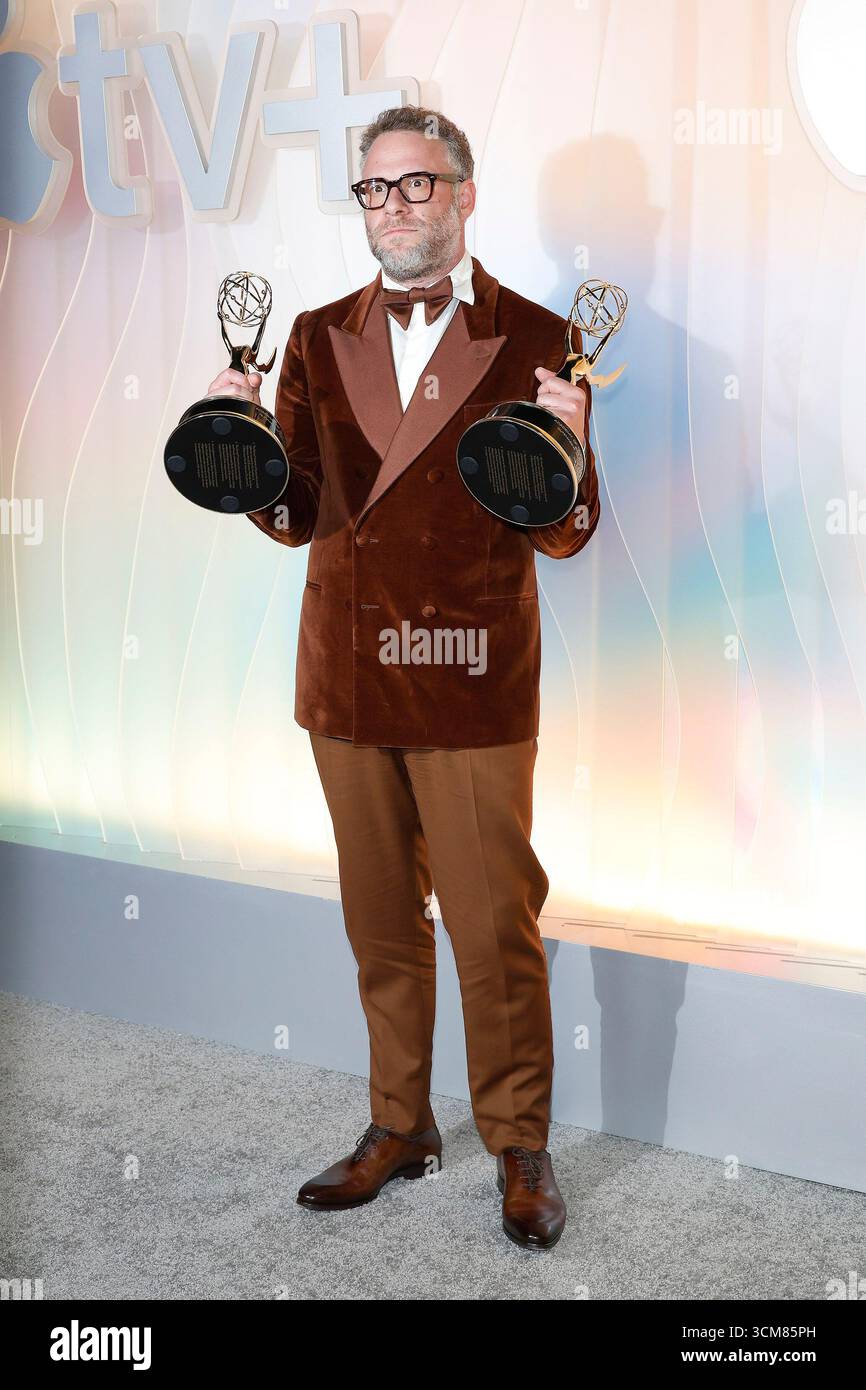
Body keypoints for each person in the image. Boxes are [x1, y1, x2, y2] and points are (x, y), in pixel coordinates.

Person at [207, 105, 599, 1250]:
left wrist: (569, 449)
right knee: (380, 925)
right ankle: (398, 1125)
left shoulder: (536, 333)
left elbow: (565, 533)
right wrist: (240, 452)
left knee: (492, 931)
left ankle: (517, 1142)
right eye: (373, 190)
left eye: (414, 185)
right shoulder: (318, 333)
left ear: (465, 194)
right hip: (345, 681)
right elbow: (297, 513)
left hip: (468, 682)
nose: (392, 207)